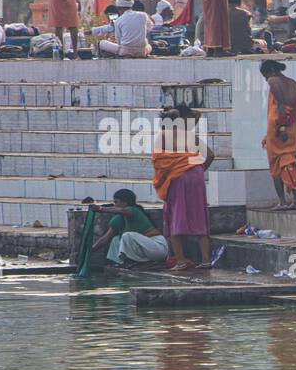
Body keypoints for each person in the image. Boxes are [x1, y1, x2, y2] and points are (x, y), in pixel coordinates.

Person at [151, 103, 215, 270]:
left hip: (177, 178)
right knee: (199, 215)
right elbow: (210, 155)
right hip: (196, 174)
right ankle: (206, 260)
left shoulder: (162, 135)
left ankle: (180, 261)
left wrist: (181, 168)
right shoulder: (188, 135)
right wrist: (196, 168)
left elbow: (160, 163)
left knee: (175, 217)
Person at [259, 59, 296, 210]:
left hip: (278, 128)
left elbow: (280, 105)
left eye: (265, 74)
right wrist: (289, 123)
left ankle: (283, 202)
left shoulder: (274, 81)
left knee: (276, 166)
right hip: (292, 127)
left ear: (271, 71)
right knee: (289, 162)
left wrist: (281, 127)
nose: (266, 79)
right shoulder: (293, 82)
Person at [87, 188, 168, 266]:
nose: (115, 205)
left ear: (125, 202)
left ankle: (131, 262)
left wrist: (100, 208)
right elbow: (106, 238)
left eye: (116, 202)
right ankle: (118, 263)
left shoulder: (133, 210)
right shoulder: (118, 219)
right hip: (146, 252)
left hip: (158, 249)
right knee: (116, 239)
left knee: (127, 236)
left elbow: (122, 211)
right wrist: (90, 250)